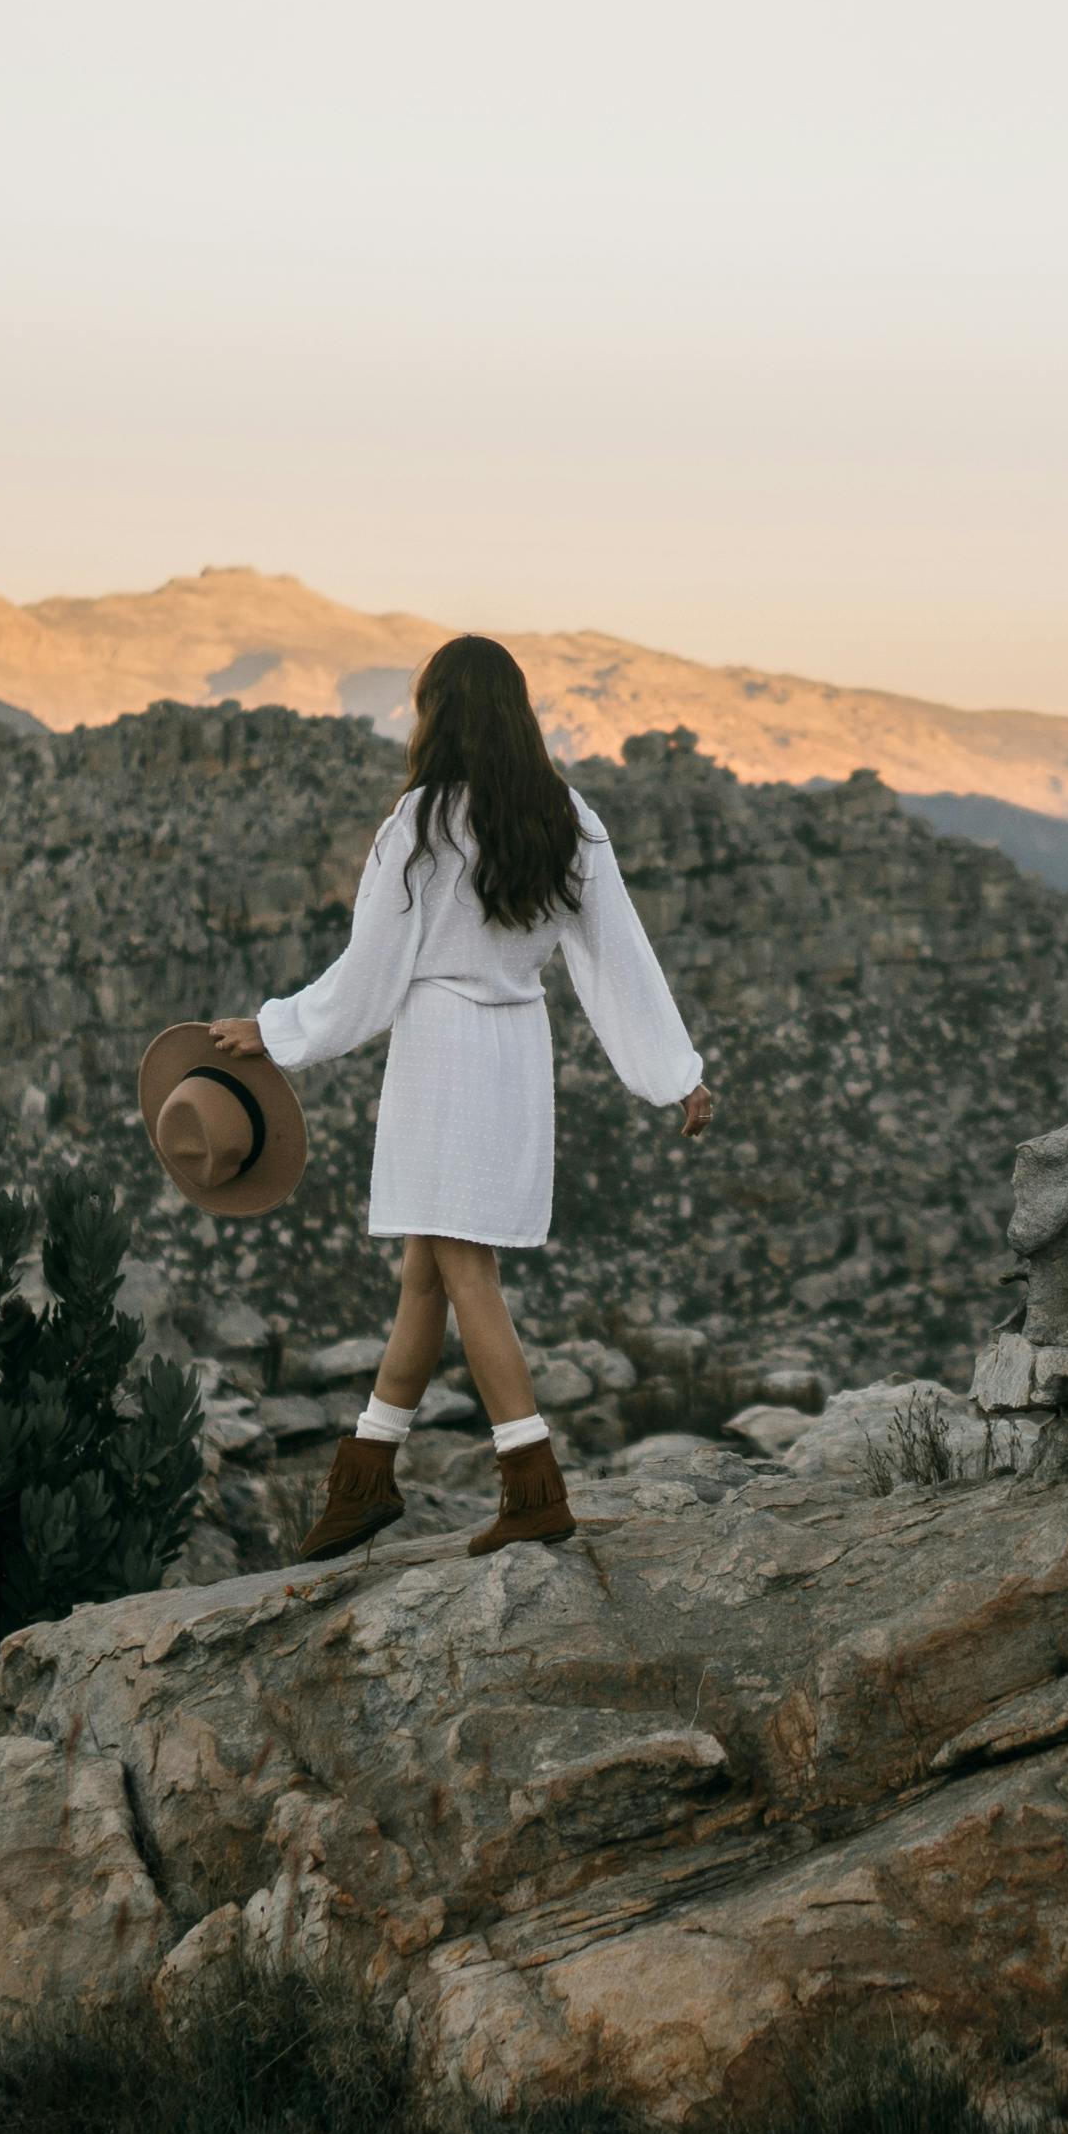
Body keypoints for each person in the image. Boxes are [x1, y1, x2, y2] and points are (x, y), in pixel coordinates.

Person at [182, 636, 712, 1558]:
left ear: (440, 714)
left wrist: (274, 1029)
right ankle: (365, 1478)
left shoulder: (422, 824)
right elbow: (618, 958)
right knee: (425, 1270)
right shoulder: (566, 818)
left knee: (467, 1273)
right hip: (513, 1050)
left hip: (441, 1059)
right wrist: (673, 1072)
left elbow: (369, 976)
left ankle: (532, 1481)